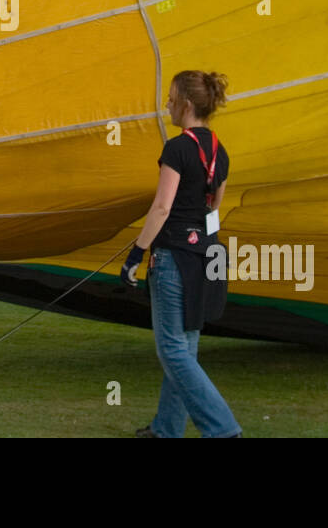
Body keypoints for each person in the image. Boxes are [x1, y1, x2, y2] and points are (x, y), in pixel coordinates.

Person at [122, 70, 242, 438]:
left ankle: (222, 430)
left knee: (172, 352)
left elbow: (161, 207)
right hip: (207, 258)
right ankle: (166, 429)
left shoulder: (176, 149)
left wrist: (136, 253)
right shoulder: (219, 151)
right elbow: (214, 205)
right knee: (184, 350)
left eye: (171, 98)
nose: (167, 105)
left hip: (175, 257)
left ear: (186, 105)